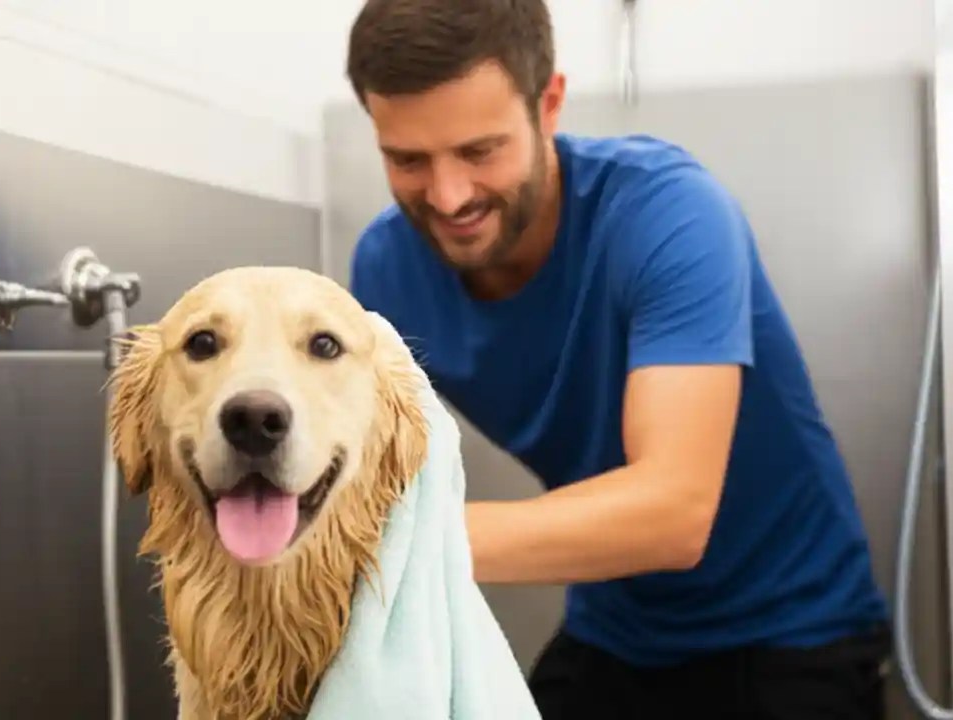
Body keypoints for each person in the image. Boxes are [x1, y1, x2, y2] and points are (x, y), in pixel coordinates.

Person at [342, 0, 892, 718]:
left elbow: (672, 513)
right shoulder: (386, 271)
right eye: (408, 160)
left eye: (481, 151)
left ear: (550, 104)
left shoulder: (668, 215)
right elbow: (365, 482)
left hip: (794, 627)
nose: (448, 196)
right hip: (618, 628)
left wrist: (389, 544)